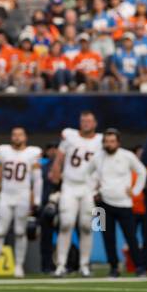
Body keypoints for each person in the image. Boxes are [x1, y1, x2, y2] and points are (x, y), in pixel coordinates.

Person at [0, 127, 40, 279]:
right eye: (14, 134)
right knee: (0, 231)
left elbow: (37, 180)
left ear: (25, 137)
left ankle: (19, 266)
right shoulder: (3, 151)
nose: (16, 137)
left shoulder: (32, 153)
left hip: (23, 195)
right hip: (6, 195)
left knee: (20, 232)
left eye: (20, 134)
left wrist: (35, 200)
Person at [92, 128, 147, 278]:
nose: (109, 144)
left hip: (125, 203)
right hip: (102, 205)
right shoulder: (97, 157)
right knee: (106, 237)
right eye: (106, 141)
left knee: (131, 237)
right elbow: (87, 174)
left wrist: (136, 191)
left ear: (118, 142)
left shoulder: (127, 156)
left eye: (112, 141)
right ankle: (113, 268)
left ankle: (139, 267)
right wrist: (93, 191)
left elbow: (142, 171)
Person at [55, 111, 101, 277]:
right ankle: (61, 264)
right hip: (69, 185)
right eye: (83, 121)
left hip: (89, 188)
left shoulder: (101, 140)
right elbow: (59, 157)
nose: (86, 123)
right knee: (66, 223)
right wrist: (55, 173)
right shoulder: (70, 135)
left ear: (95, 123)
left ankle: (84, 265)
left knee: (87, 226)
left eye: (89, 121)